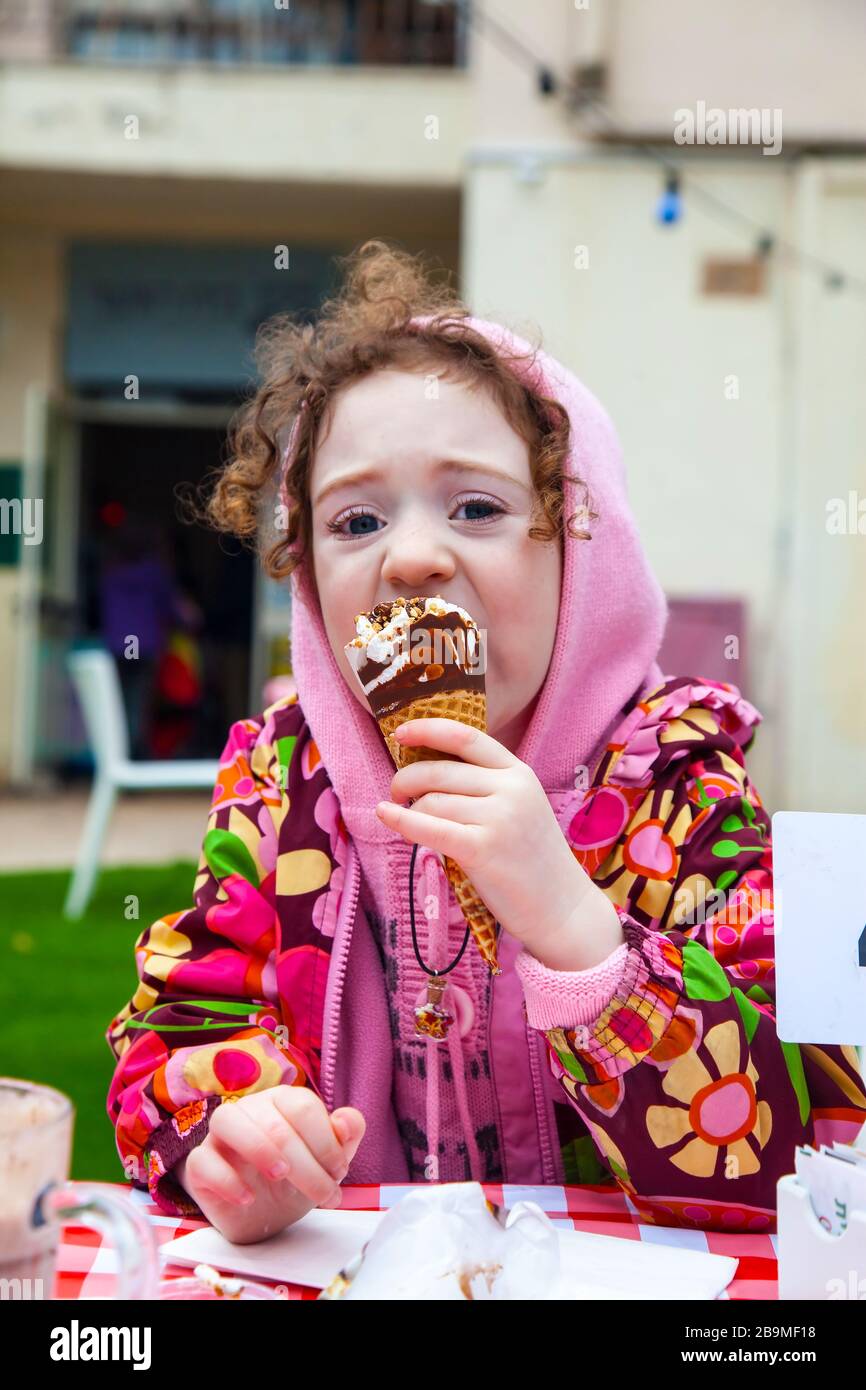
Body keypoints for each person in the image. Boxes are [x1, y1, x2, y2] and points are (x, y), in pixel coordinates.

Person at [105, 240, 866, 1243]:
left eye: (476, 507)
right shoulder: (287, 788)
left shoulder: (679, 785)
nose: (414, 556)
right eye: (356, 519)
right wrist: (230, 1132)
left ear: (577, 549)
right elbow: (178, 1031)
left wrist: (576, 929)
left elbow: (783, 1158)